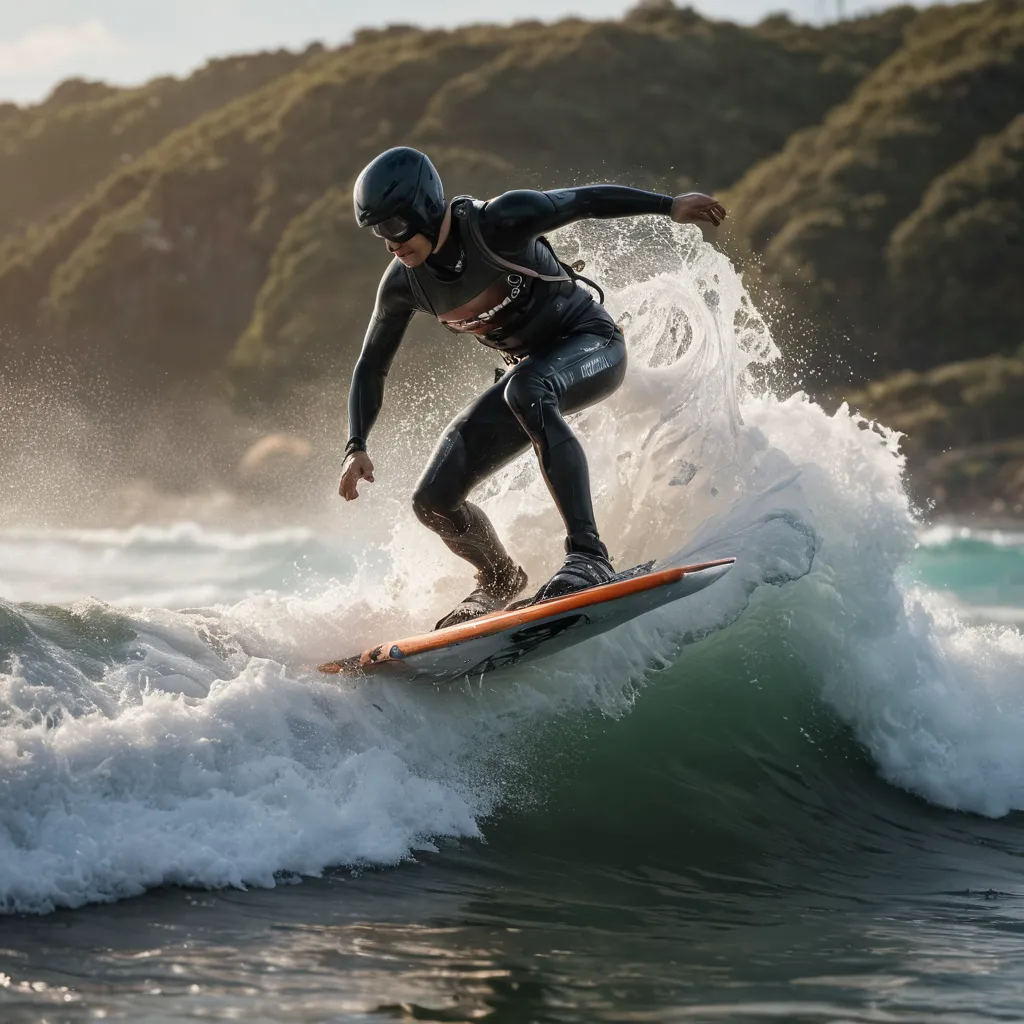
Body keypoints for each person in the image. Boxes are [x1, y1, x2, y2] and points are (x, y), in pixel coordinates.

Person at [339, 147, 726, 628]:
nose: (389, 244)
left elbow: (584, 201)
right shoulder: (404, 284)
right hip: (525, 378)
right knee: (433, 501)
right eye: (377, 232)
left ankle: (589, 556)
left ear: (422, 208)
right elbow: (371, 364)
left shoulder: (499, 222)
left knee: (526, 387)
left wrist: (669, 206)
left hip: (592, 344)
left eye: (393, 227)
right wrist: (356, 444)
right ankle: (499, 578)